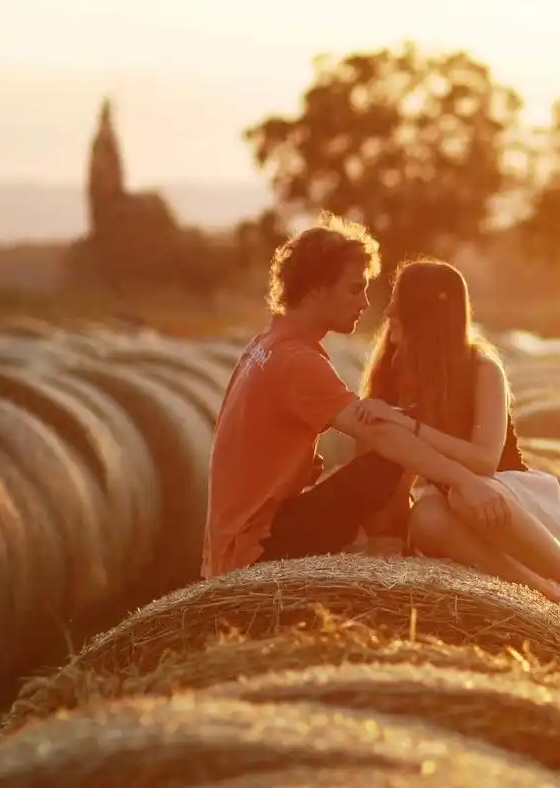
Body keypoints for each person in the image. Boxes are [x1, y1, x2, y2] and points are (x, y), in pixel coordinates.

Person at [202, 213, 511, 582]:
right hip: (257, 550)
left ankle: (382, 549)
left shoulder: (266, 345)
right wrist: (466, 482)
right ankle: (393, 555)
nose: (366, 304)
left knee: (380, 454)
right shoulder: (297, 362)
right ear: (316, 288)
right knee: (385, 458)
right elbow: (379, 435)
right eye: (354, 289)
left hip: (234, 543)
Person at [356, 257, 560, 632]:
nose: (387, 309)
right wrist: (384, 542)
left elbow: (484, 461)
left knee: (462, 492)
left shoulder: (483, 369)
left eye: (398, 302)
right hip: (461, 512)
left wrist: (408, 423)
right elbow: (394, 466)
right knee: (426, 517)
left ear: (424, 316)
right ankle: (551, 598)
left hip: (516, 508)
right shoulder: (394, 369)